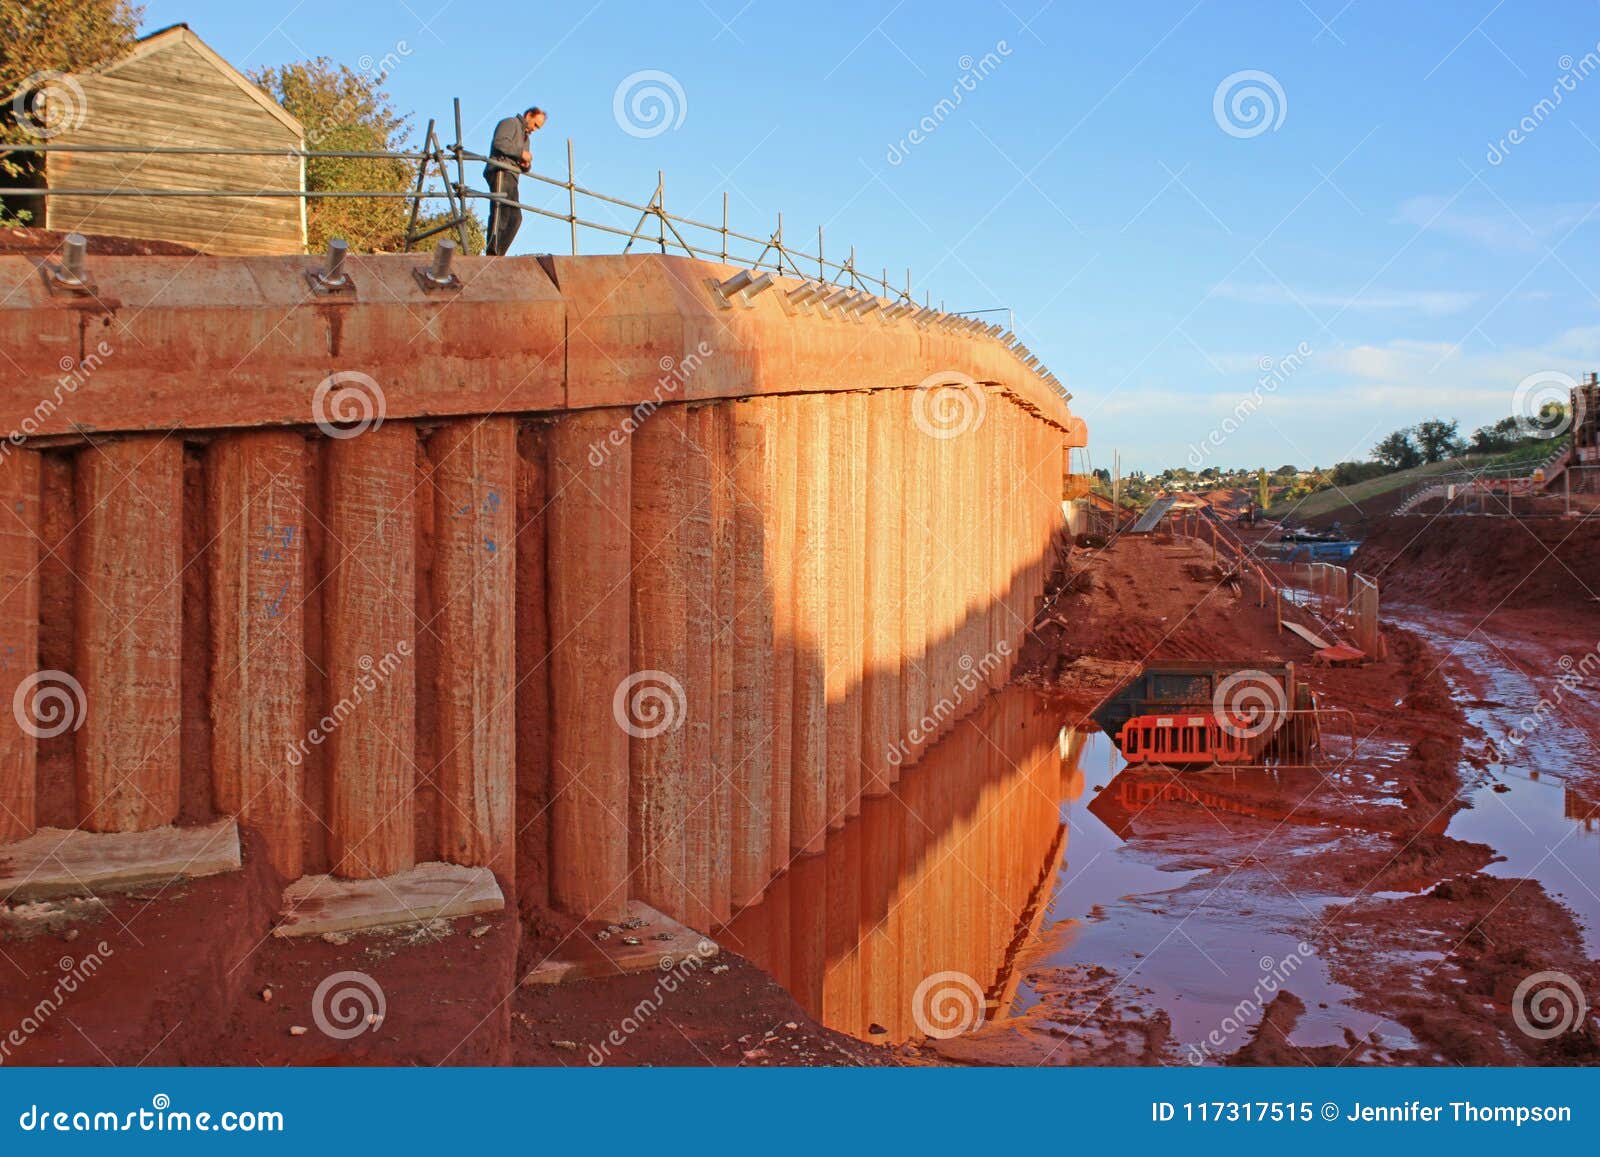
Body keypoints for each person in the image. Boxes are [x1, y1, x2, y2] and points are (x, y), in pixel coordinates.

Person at [485, 107, 546, 256]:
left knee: (515, 218)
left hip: (512, 176)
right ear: (528, 115)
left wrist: (525, 165)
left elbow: (520, 159)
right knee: (501, 212)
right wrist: (521, 153)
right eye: (535, 124)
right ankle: (492, 253)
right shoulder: (510, 123)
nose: (535, 129)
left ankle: (499, 254)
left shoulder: (526, 137)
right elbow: (500, 143)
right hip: (501, 171)